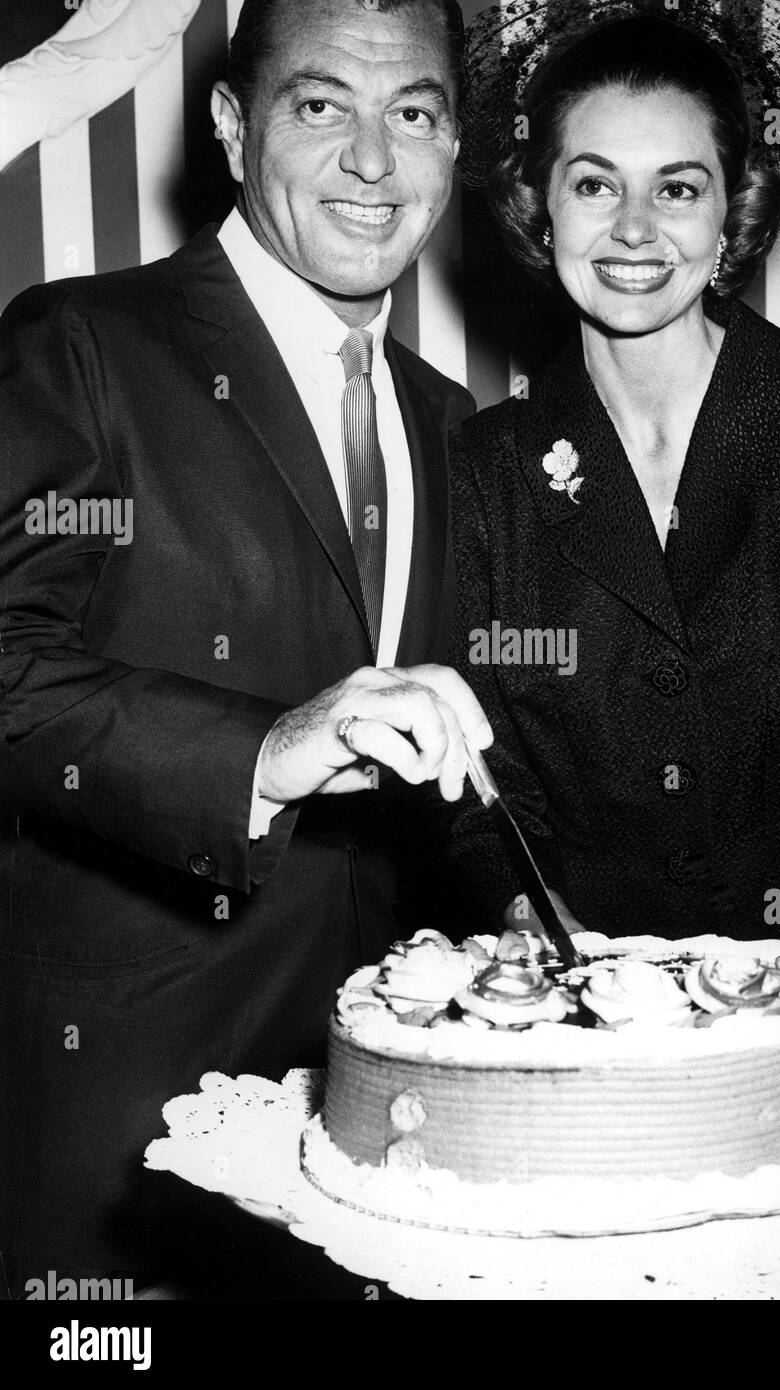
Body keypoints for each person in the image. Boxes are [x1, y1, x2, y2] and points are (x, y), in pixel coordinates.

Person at [0, 0, 491, 1291]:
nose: (374, 163)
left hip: (368, 1133)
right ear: (229, 127)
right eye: (321, 106)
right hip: (116, 1124)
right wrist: (264, 750)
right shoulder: (84, 346)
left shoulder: (453, 424)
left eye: (417, 114)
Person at [448, 0, 780, 1032]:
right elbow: (482, 785)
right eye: (595, 183)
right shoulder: (481, 466)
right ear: (537, 205)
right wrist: (549, 954)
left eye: (676, 188)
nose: (634, 230)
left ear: (731, 209)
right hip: (585, 1010)